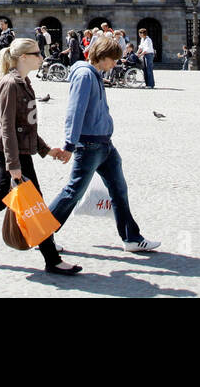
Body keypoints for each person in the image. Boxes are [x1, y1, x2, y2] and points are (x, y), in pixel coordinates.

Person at [0, 37, 80, 275]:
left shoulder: (23, 82)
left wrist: (47, 150)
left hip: (17, 150)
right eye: (37, 54)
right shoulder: (10, 84)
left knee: (0, 200)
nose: (41, 57)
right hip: (11, 152)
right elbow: (7, 127)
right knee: (35, 203)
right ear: (23, 57)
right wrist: (13, 165)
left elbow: (27, 125)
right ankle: (52, 259)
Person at [47, 38, 160, 254]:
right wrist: (69, 145)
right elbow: (75, 110)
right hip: (89, 144)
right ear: (104, 56)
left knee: (119, 189)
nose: (116, 64)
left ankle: (132, 238)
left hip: (104, 144)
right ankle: (41, 232)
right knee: (73, 191)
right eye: (114, 60)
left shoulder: (94, 74)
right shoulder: (84, 75)